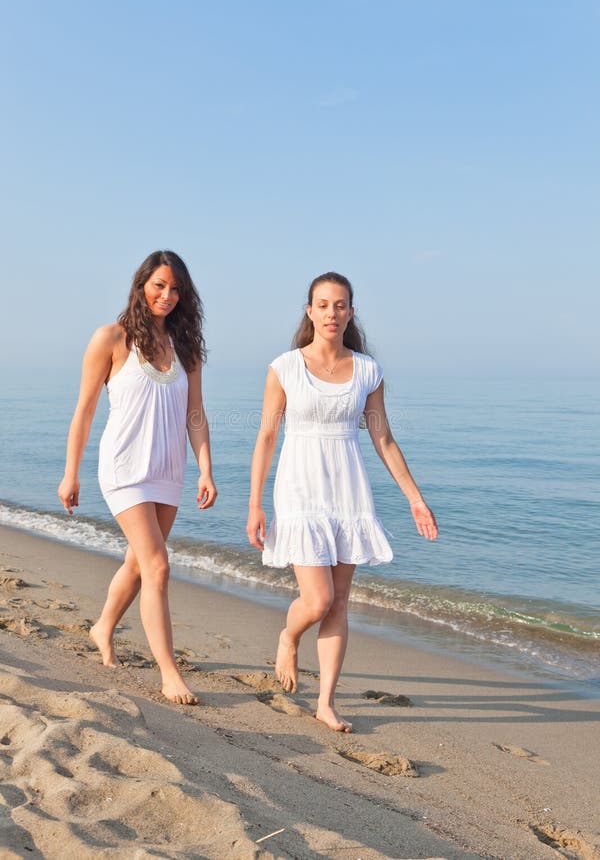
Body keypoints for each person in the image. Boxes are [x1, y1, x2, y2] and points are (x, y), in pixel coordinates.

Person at [247, 272, 438, 732]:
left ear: (351, 312)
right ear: (309, 311)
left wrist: (415, 500)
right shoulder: (285, 367)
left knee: (338, 603)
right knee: (317, 600)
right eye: (323, 304)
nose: (332, 313)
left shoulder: (368, 371)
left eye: (340, 305)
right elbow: (267, 437)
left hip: (349, 491)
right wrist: (255, 504)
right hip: (299, 489)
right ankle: (289, 635)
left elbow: (383, 439)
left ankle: (326, 702)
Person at [58, 250, 216, 704]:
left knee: (138, 563)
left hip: (168, 469)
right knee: (157, 565)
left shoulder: (186, 348)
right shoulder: (111, 338)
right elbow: (85, 411)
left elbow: (195, 414)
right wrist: (71, 474)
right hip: (124, 467)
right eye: (159, 285)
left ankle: (102, 627)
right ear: (141, 284)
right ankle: (169, 673)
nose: (167, 295)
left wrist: (206, 469)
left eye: (175, 288)